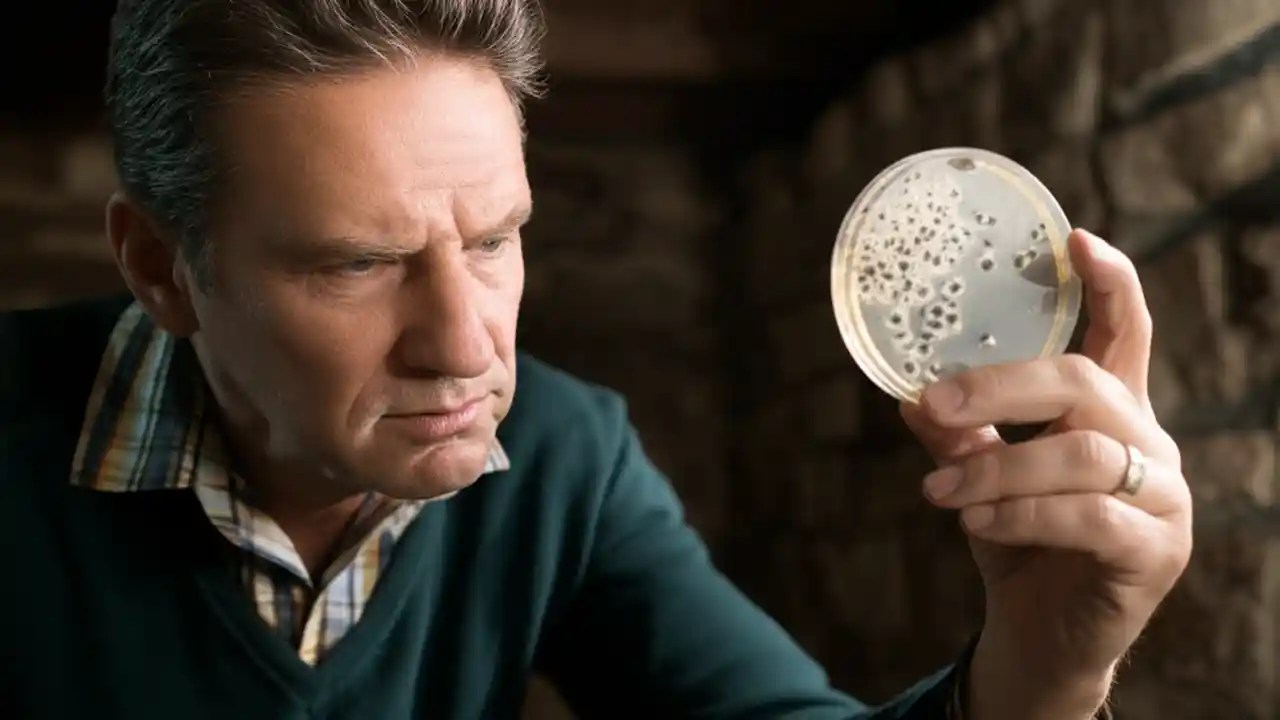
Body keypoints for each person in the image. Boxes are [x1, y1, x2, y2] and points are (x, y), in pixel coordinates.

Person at [0, 1, 1192, 718]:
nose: (466, 347)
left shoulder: (566, 458)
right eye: (355, 264)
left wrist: (1037, 675)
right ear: (160, 267)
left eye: (493, 240)